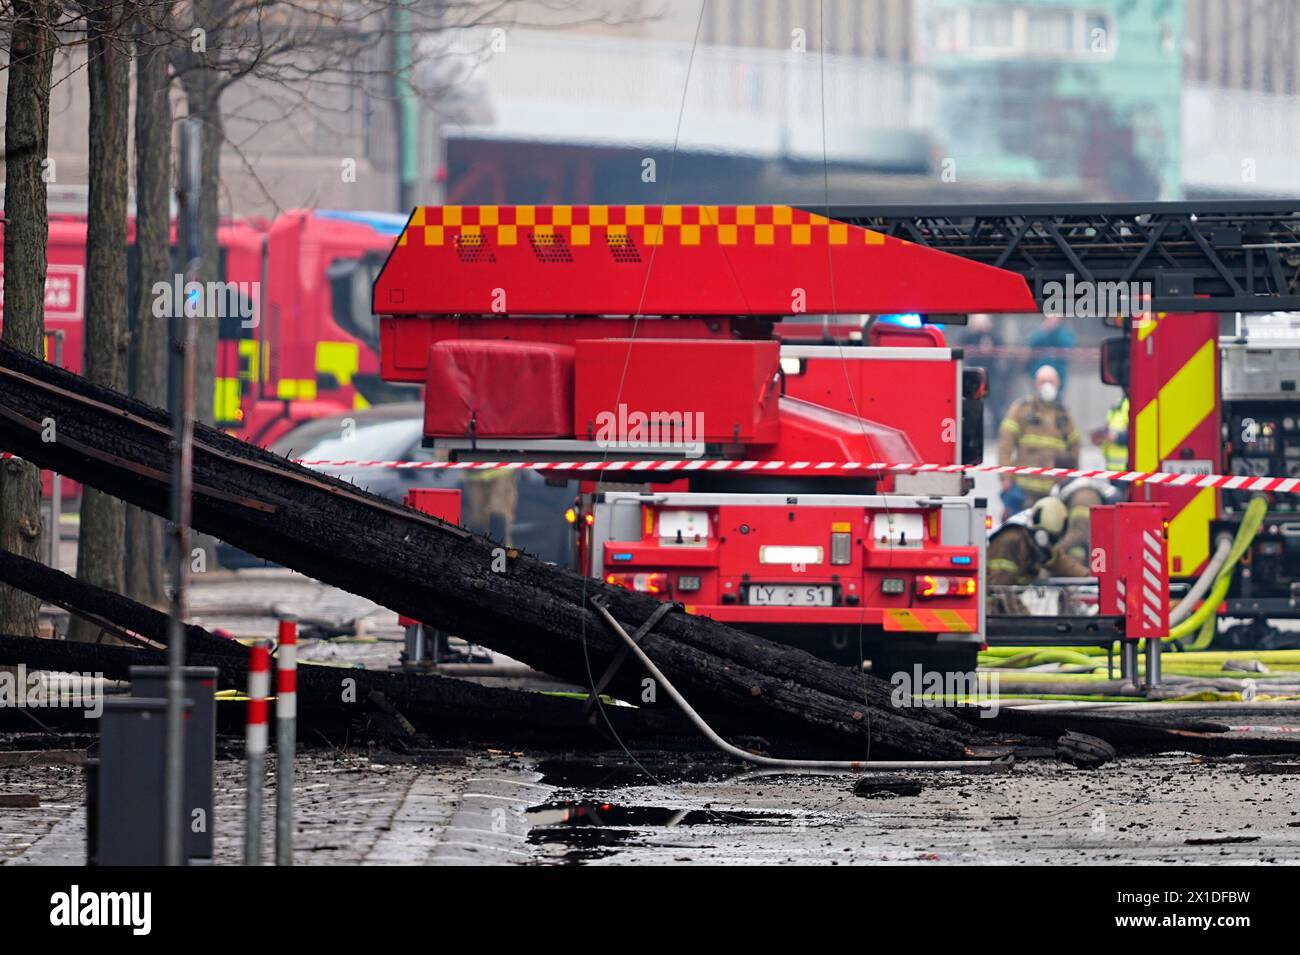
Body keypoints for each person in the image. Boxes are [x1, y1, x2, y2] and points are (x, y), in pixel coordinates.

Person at [996, 364, 1080, 512]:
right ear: (1035, 384)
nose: (1047, 385)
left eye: (1051, 381)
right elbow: (1005, 444)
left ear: (1058, 384)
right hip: (1023, 490)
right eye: (1043, 381)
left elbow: (1075, 449)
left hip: (1053, 492)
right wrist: (1005, 477)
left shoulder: (1064, 415)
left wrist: (1071, 480)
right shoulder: (1021, 409)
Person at [986, 497, 1090, 614]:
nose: (1052, 544)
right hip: (987, 609)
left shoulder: (1037, 538)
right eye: (1051, 539)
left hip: (1002, 603)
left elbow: (1059, 561)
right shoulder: (1011, 542)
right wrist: (1026, 620)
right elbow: (1002, 589)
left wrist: (1090, 578)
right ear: (1041, 534)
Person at [1024, 313, 1076, 392]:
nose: (1052, 319)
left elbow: (1068, 346)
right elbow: (1032, 343)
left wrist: (1054, 329)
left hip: (1058, 372)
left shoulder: (1064, 333)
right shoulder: (1040, 332)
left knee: (1055, 400)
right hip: (1038, 371)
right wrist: (1044, 330)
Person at [1091, 395, 1130, 472]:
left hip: (1126, 469)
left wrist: (1117, 438)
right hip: (1112, 467)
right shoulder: (1117, 406)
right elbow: (1109, 428)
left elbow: (1141, 437)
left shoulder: (1130, 405)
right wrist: (1100, 438)